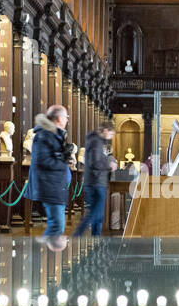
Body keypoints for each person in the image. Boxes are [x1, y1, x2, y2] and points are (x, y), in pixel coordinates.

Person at [30, 104, 73, 245]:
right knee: (56, 226)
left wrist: (64, 157)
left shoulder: (54, 135)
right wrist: (63, 162)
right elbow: (42, 161)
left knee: (57, 226)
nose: (68, 120)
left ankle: (42, 250)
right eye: (66, 117)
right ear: (60, 118)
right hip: (50, 186)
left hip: (56, 186)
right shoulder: (44, 135)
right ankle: (37, 249)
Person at [73, 120, 118, 237]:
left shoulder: (96, 141)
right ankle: (78, 235)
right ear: (106, 130)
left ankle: (95, 239)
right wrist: (109, 166)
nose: (111, 137)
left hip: (96, 182)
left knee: (97, 215)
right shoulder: (96, 142)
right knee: (95, 213)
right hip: (95, 183)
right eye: (111, 134)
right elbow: (95, 162)